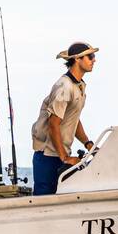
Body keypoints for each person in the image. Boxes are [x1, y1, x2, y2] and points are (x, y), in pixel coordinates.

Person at [31, 42, 98, 195]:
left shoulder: (80, 86)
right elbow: (54, 123)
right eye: (90, 56)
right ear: (77, 59)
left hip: (59, 154)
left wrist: (88, 143)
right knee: (44, 204)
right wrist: (65, 157)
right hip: (47, 156)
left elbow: (74, 119)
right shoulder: (64, 86)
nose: (94, 60)